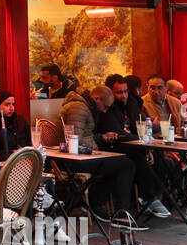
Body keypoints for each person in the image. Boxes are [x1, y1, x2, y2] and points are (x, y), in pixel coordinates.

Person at [59, 84, 136, 221]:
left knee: (123, 164)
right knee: (126, 165)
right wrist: (96, 149)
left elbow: (82, 137)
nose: (105, 111)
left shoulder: (85, 107)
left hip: (84, 155)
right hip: (76, 160)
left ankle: (94, 203)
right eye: (105, 106)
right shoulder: (79, 108)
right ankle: (120, 214)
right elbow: (74, 141)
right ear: (96, 98)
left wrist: (101, 137)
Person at [98, 78, 168, 218]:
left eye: (125, 92)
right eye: (119, 92)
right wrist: (143, 143)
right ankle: (148, 198)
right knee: (136, 158)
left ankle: (154, 198)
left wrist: (147, 145)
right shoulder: (107, 108)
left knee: (159, 155)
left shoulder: (131, 104)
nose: (123, 95)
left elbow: (142, 125)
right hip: (113, 146)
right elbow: (118, 134)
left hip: (134, 145)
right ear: (110, 94)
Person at [0, 92, 33, 162]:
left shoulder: (21, 120)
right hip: (3, 164)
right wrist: (12, 155)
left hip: (25, 161)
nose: (12, 108)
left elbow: (29, 143)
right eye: (7, 104)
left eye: (13, 104)